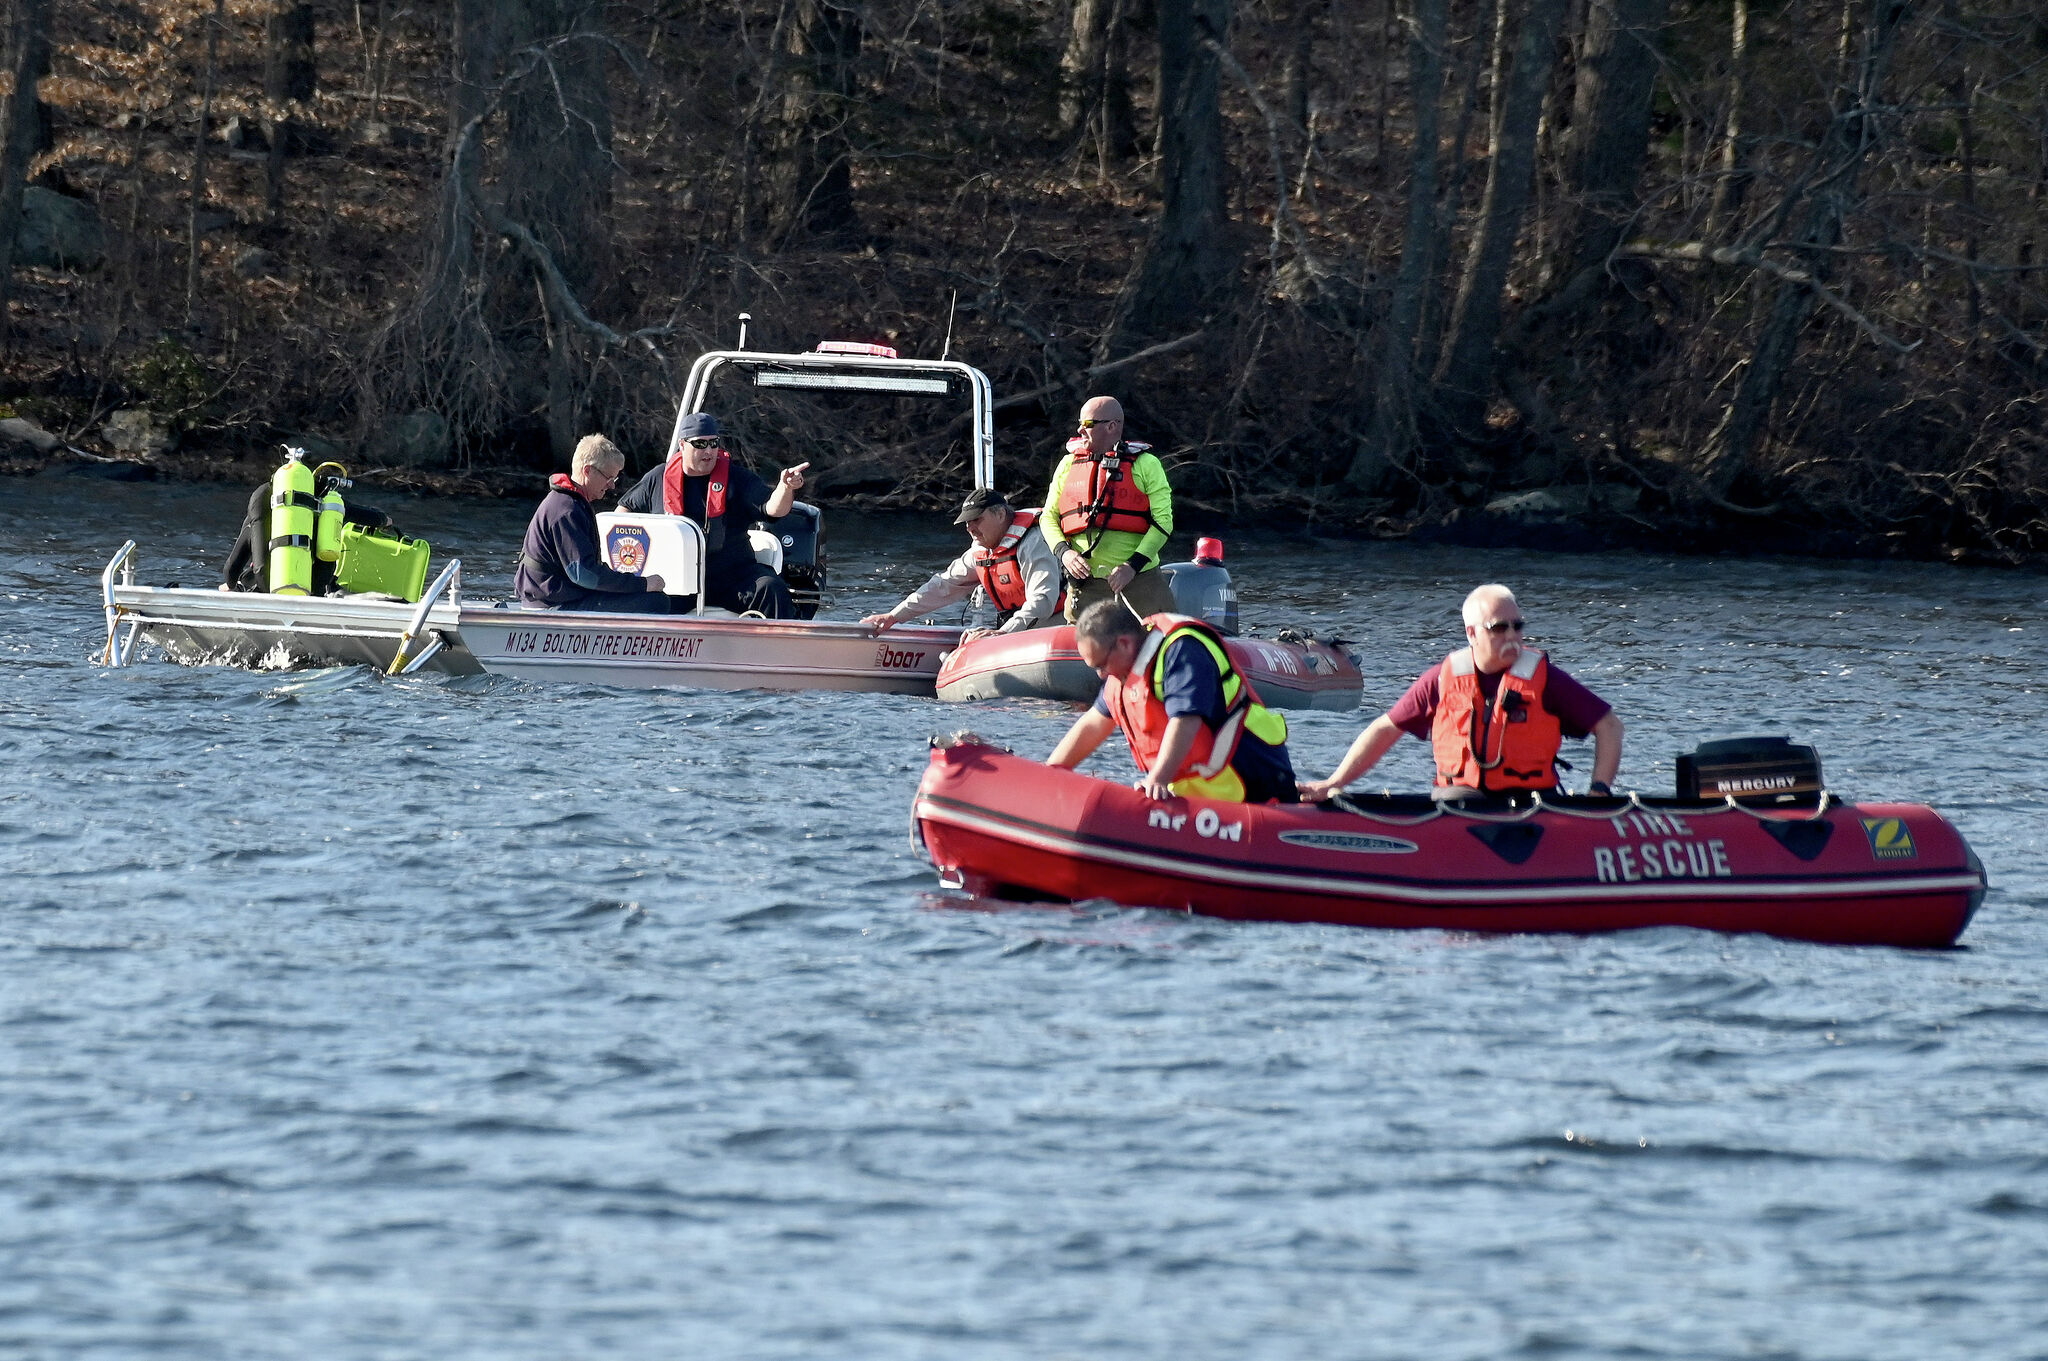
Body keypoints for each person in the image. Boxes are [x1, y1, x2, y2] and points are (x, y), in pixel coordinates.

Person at [1298, 584, 1623, 800]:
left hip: (1530, 807)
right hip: (1458, 806)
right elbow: (1384, 729)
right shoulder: (1441, 679)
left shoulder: (1547, 680)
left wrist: (1599, 790)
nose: (1512, 634)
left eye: (1518, 625)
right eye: (1499, 627)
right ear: (1472, 633)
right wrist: (1333, 783)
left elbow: (1609, 726)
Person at [1047, 599, 1297, 803]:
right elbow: (1093, 723)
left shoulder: (1182, 650)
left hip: (1254, 782)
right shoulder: (1124, 675)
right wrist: (1052, 772)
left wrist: (1157, 780)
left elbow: (1186, 720)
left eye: (1101, 665)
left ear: (1123, 644)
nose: (1101, 675)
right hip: (1206, 797)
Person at [618, 412, 808, 618]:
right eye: (700, 444)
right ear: (682, 445)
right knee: (639, 598)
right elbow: (623, 512)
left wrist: (786, 488)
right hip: (676, 581)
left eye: (713, 443)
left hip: (732, 578)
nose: (708, 451)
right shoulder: (658, 478)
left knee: (771, 588)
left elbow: (773, 509)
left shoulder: (737, 478)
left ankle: (781, 646)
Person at [859, 487, 1064, 640]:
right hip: (1017, 631)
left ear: (1001, 515)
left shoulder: (1034, 542)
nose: (970, 528)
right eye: (966, 522)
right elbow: (942, 586)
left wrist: (1003, 632)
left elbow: (1043, 600)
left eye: (977, 519)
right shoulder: (979, 552)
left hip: (1055, 625)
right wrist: (894, 616)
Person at [1041, 395, 1177, 623]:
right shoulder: (1068, 464)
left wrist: (1131, 567)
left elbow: (1163, 521)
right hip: (1085, 584)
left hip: (1139, 580)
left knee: (1159, 644)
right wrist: (1065, 554)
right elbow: (1048, 517)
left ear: (1112, 426)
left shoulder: (1146, 464)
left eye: (1087, 424)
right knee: (1081, 652)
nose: (1080, 430)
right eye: (1080, 423)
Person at [515, 434, 675, 613]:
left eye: (614, 479)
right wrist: (643, 583)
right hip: (552, 604)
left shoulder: (569, 503)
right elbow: (584, 574)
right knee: (656, 602)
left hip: (557, 597)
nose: (612, 486)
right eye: (609, 478)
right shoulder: (566, 511)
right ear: (587, 471)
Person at [220, 463, 389, 595]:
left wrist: (230, 585)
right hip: (312, 593)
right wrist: (386, 521)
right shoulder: (331, 508)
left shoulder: (262, 513)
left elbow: (231, 568)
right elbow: (374, 517)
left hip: (262, 590)